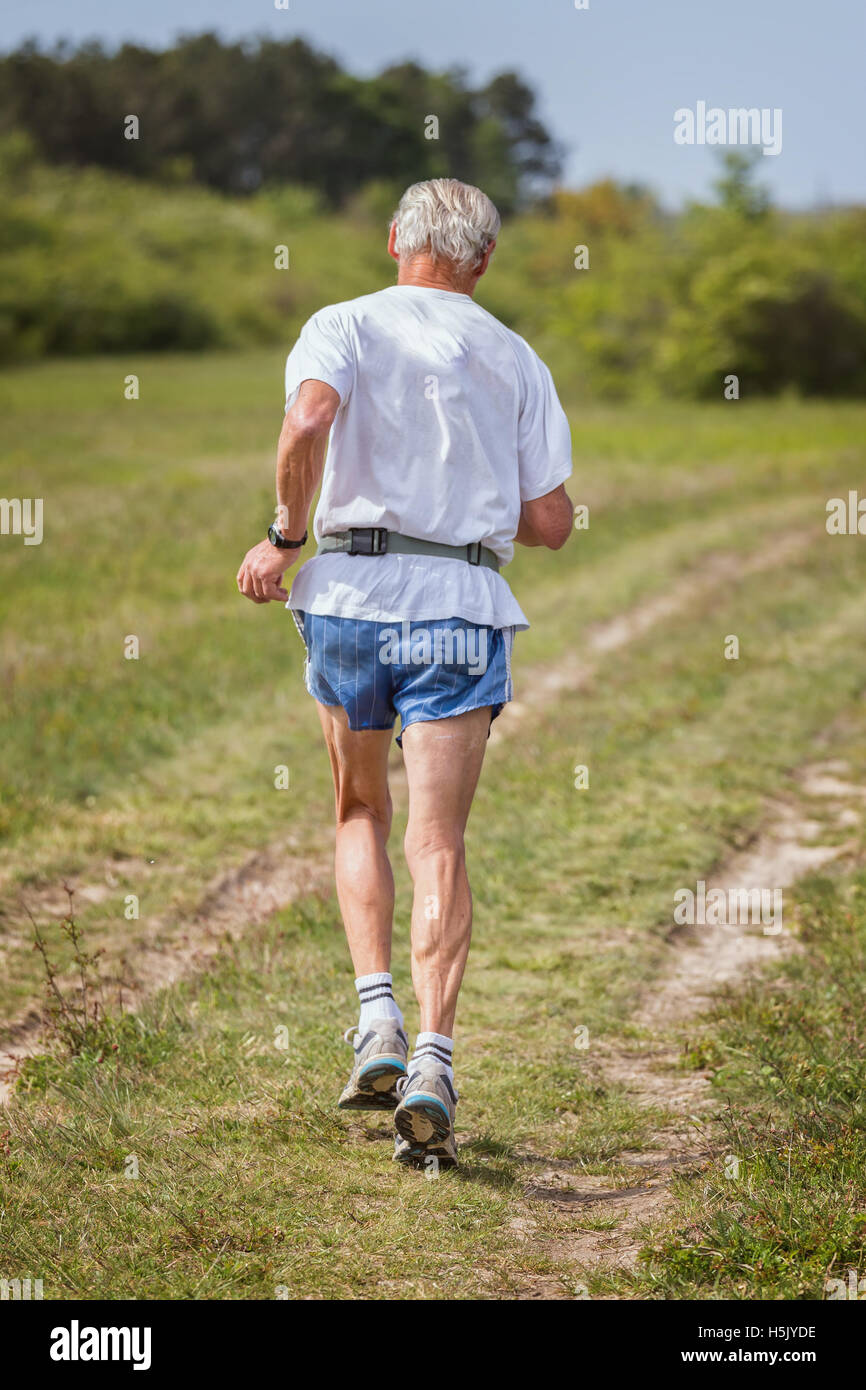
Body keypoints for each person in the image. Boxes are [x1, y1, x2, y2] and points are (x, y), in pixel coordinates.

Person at [237, 178, 573, 1169]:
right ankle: (431, 1060)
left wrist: (282, 537)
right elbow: (549, 521)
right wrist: (463, 488)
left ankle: (374, 1018)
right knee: (438, 844)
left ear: (393, 239)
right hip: (461, 609)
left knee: (357, 814)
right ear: (484, 260)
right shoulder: (512, 354)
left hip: (346, 597)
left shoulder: (339, 322)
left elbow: (306, 423)